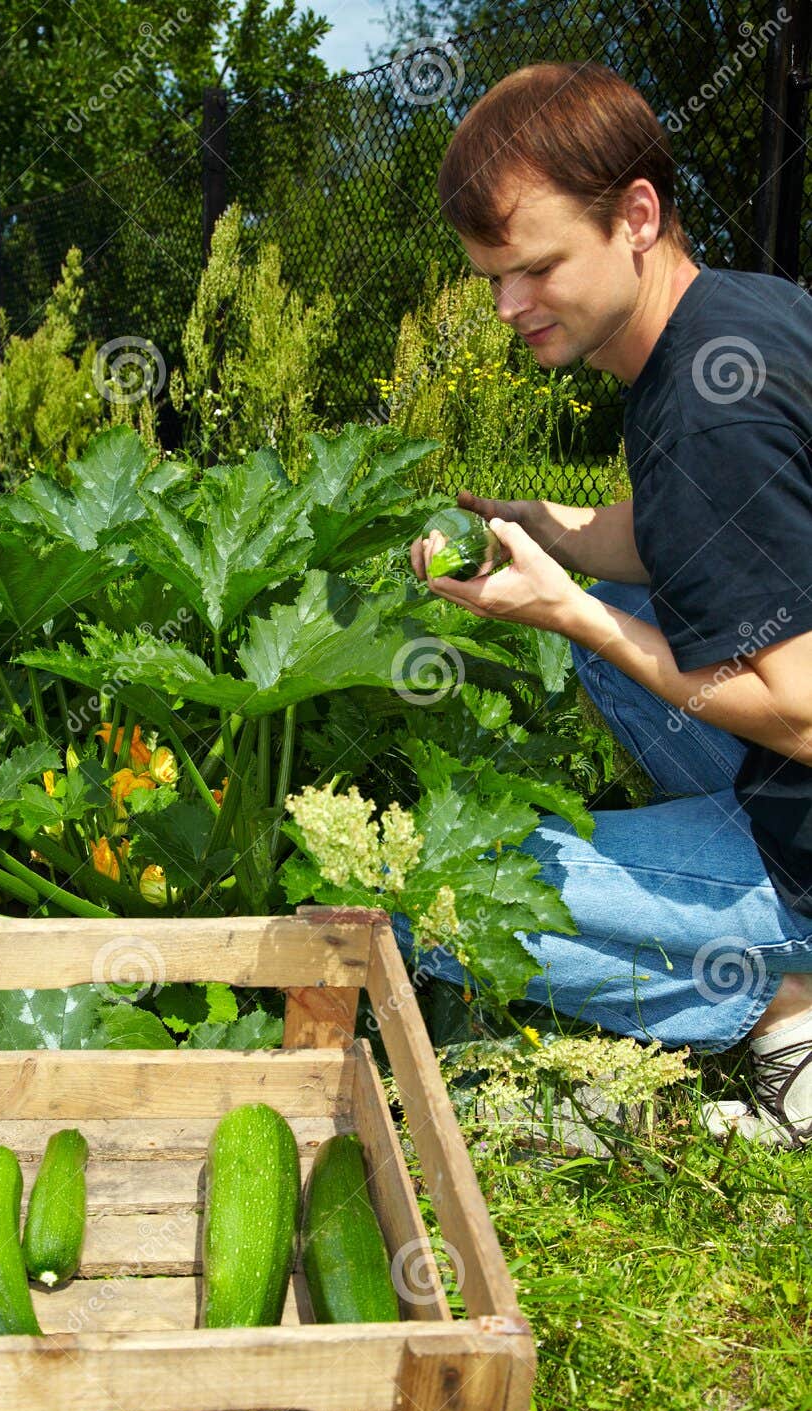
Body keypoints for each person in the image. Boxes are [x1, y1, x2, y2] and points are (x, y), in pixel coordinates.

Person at [398, 61, 812, 1150]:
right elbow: (683, 535)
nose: (507, 307)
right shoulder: (729, 321)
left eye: (533, 269)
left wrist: (569, 613)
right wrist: (544, 527)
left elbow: (803, 711)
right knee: (617, 595)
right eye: (490, 276)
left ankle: (785, 1013)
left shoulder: (709, 423)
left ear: (635, 215)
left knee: (438, 896)